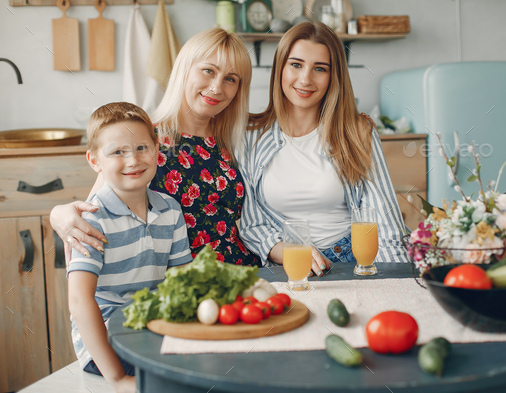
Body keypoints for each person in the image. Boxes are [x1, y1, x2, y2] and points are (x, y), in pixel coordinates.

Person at [50, 28, 260, 267]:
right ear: (184, 70)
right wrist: (58, 213)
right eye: (208, 71)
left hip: (240, 273)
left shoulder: (235, 141)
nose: (216, 87)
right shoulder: (144, 138)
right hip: (170, 280)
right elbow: (96, 210)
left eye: (230, 79)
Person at [238, 22, 411, 276]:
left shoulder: (357, 132)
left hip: (352, 262)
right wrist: (289, 250)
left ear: (333, 77)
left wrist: (397, 279)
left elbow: (384, 223)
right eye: (296, 64)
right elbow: (252, 225)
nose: (305, 79)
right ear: (280, 69)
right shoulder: (249, 136)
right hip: (285, 266)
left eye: (320, 68)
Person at [68, 102, 193, 393]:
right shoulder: (92, 221)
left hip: (157, 328)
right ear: (95, 161)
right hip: (111, 341)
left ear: (156, 151)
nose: (133, 160)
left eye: (141, 148)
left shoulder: (170, 210)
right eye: (118, 152)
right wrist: (117, 379)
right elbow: (79, 301)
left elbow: (183, 282)